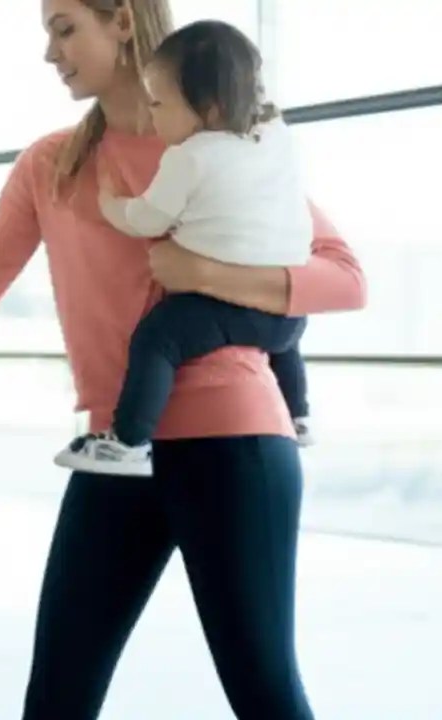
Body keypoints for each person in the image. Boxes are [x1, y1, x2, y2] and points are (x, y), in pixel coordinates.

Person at [0, 1, 366, 718]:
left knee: (265, 692)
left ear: (122, 22)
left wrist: (203, 274)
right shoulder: (52, 165)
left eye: (65, 29)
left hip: (234, 443)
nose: (50, 52)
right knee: (57, 699)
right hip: (116, 452)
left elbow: (345, 277)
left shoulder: (222, 145)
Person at [53, 19, 314, 478]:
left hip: (219, 307)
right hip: (288, 319)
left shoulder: (188, 157)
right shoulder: (273, 137)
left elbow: (146, 219)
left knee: (160, 335)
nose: (153, 117)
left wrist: (112, 202)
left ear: (208, 108)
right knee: (282, 344)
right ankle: (298, 414)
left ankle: (128, 441)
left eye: (160, 104)